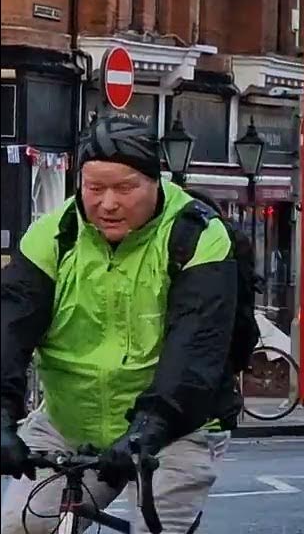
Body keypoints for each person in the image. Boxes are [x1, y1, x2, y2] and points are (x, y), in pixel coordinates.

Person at [0, 114, 239, 533]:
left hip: (174, 427)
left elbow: (195, 347)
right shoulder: (53, 235)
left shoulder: (197, 236)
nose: (107, 204)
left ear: (155, 182)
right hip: (70, 422)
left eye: (125, 188)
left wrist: (149, 428)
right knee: (20, 525)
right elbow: (8, 328)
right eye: (94, 188)